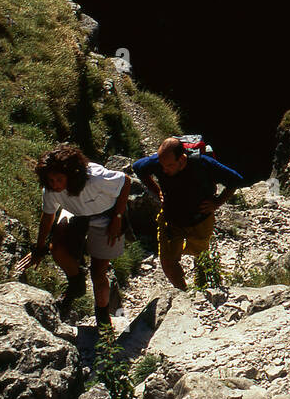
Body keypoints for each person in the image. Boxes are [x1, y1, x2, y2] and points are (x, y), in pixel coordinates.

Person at [17, 145, 130, 326]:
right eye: (50, 180)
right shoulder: (51, 190)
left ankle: (103, 319)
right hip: (76, 213)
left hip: (106, 214)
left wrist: (117, 218)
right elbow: (48, 217)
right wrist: (39, 248)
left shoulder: (95, 178)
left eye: (59, 180)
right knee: (57, 249)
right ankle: (76, 282)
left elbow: (125, 181)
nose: (55, 185)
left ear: (72, 175)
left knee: (98, 273)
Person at [132, 136, 243, 291]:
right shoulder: (161, 162)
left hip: (200, 220)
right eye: (162, 165)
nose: (164, 170)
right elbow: (137, 167)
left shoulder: (203, 163)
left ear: (182, 159)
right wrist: (157, 191)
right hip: (171, 220)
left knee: (201, 257)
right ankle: (184, 292)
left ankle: (202, 289)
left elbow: (235, 180)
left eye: (169, 165)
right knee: (167, 262)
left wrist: (216, 203)